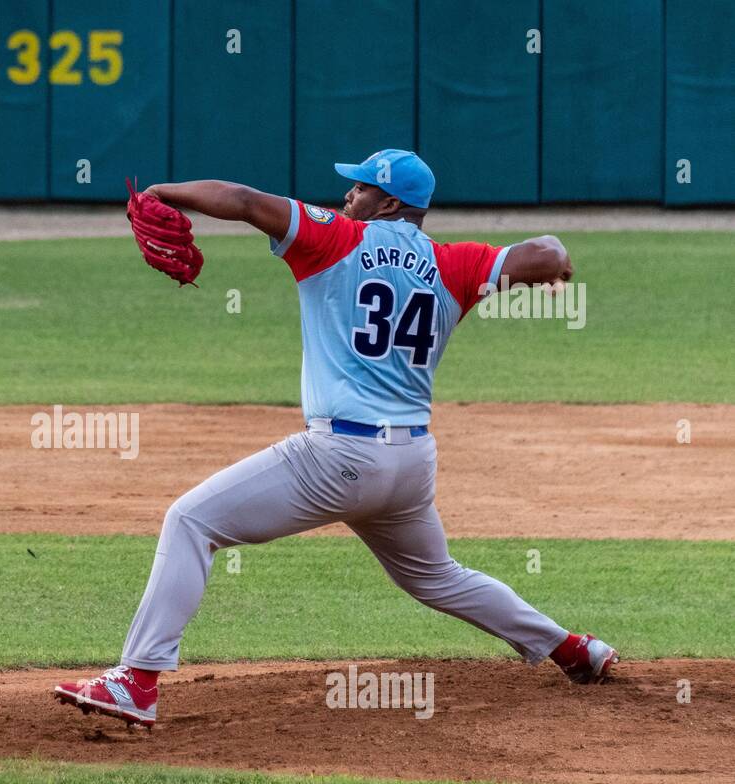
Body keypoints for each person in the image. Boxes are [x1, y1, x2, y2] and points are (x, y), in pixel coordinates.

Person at [53, 149, 619, 729]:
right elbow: (548, 252)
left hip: (338, 458)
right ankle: (574, 649)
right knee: (436, 576)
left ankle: (137, 681)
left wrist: (163, 192)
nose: (349, 194)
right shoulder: (455, 263)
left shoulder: (335, 238)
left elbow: (244, 201)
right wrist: (556, 268)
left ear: (389, 203)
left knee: (191, 521)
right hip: (409, 465)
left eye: (361, 188)